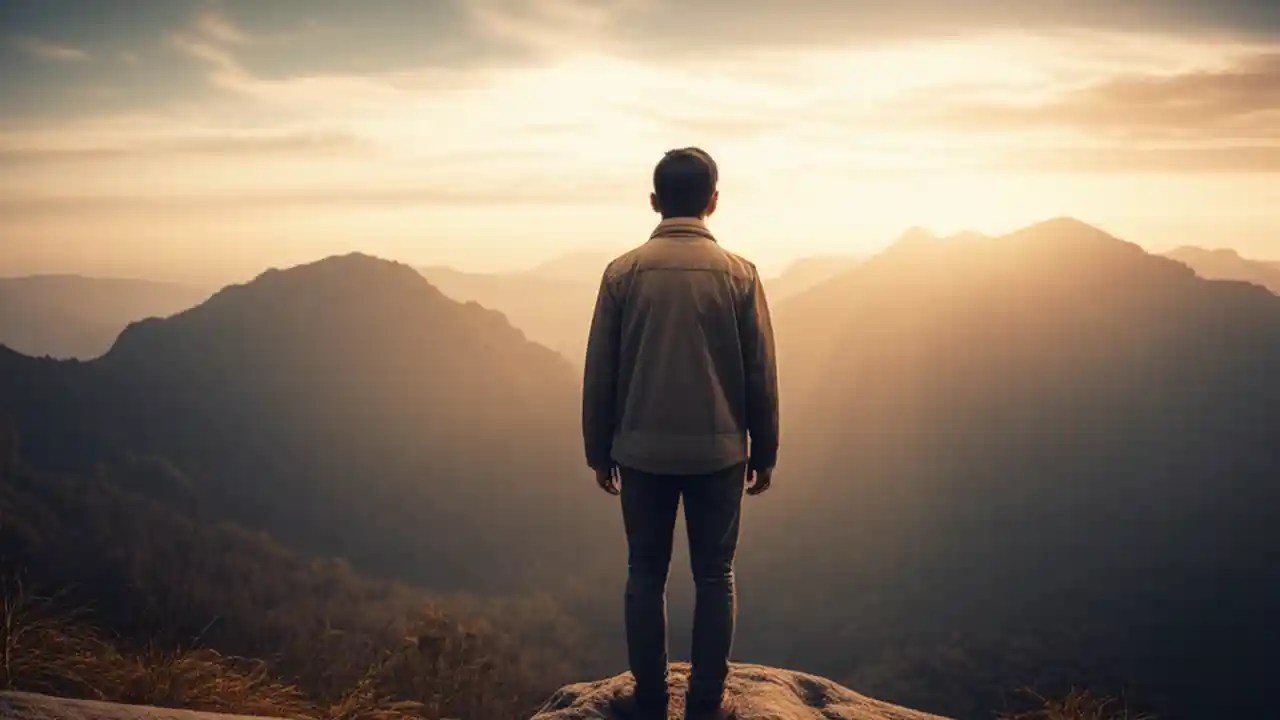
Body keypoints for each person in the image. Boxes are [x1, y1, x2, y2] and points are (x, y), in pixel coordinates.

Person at [582, 147, 780, 720]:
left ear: (653, 201)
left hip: (640, 454)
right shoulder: (741, 274)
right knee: (715, 575)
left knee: (644, 574)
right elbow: (759, 371)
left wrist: (599, 451)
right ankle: (707, 702)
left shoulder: (622, 273)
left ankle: (649, 700)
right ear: (713, 202)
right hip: (719, 454)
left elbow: (602, 371)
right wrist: (763, 451)